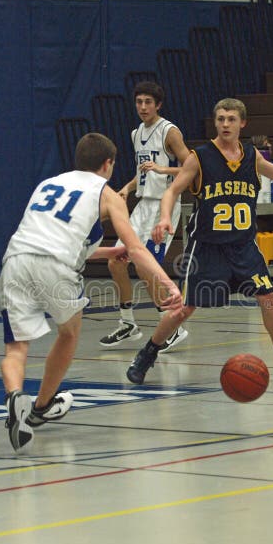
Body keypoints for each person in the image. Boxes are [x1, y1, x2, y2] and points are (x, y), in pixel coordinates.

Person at [126, 98, 273, 386]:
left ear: (242, 123)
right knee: (183, 308)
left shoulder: (252, 155)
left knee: (268, 299)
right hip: (207, 245)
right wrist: (165, 218)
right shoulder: (200, 156)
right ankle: (148, 353)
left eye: (231, 119)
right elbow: (172, 191)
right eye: (220, 119)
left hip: (243, 245)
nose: (225, 124)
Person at [0, 133, 181, 451]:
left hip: (15, 259)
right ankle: (40, 408)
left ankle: (15, 398)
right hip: (56, 265)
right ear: (108, 163)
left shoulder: (48, 184)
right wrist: (167, 284)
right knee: (69, 332)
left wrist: (110, 253)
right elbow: (137, 249)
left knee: (16, 349)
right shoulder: (108, 194)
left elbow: (50, 239)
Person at [99, 82, 190, 352]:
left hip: (165, 204)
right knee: (115, 260)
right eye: (139, 101)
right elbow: (142, 175)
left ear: (158, 104)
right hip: (142, 206)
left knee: (145, 267)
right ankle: (128, 323)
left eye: (148, 102)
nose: (143, 107)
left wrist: (163, 168)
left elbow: (191, 168)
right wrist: (126, 189)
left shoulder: (169, 131)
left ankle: (172, 327)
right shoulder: (136, 133)